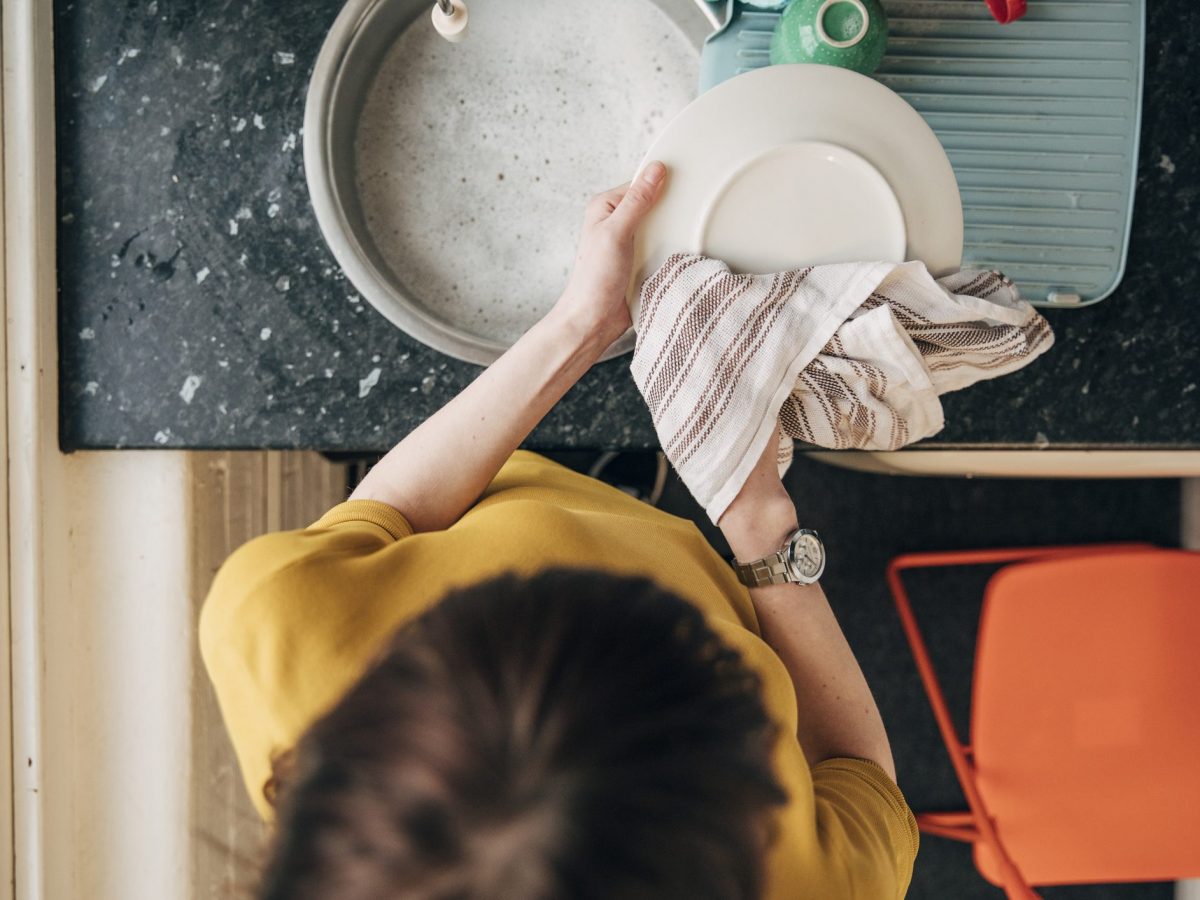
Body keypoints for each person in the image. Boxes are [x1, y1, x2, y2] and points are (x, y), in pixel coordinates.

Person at [200, 161, 918, 899]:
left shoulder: (274, 626)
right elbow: (859, 774)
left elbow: (394, 515)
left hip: (516, 484)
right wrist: (761, 531)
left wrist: (584, 321)